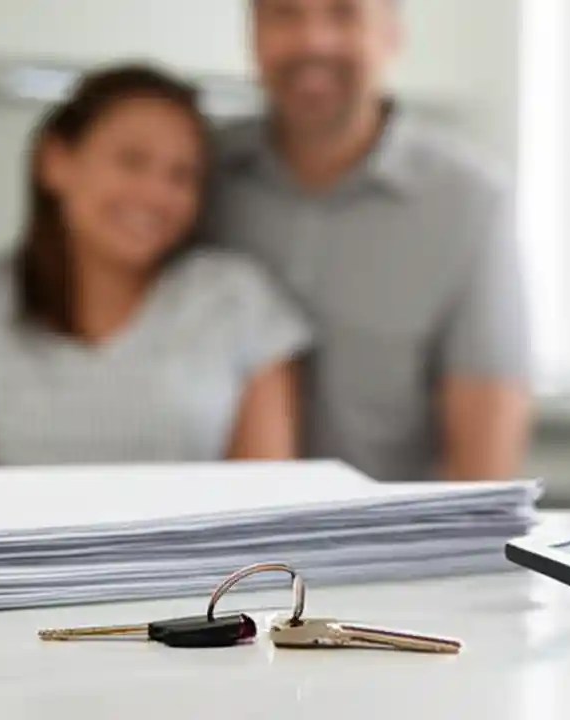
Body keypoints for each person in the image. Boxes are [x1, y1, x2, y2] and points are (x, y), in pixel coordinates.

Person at [0, 66, 310, 468]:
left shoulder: (239, 301)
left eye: (181, 175)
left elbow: (267, 503)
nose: (155, 194)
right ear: (56, 163)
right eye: (131, 162)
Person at [212, 0, 532, 481]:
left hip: (398, 547)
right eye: (284, 14)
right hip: (218, 546)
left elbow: (484, 464)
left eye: (343, 14)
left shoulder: (468, 201)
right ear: (253, 34)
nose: (313, 41)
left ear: (391, 35)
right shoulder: (193, 178)